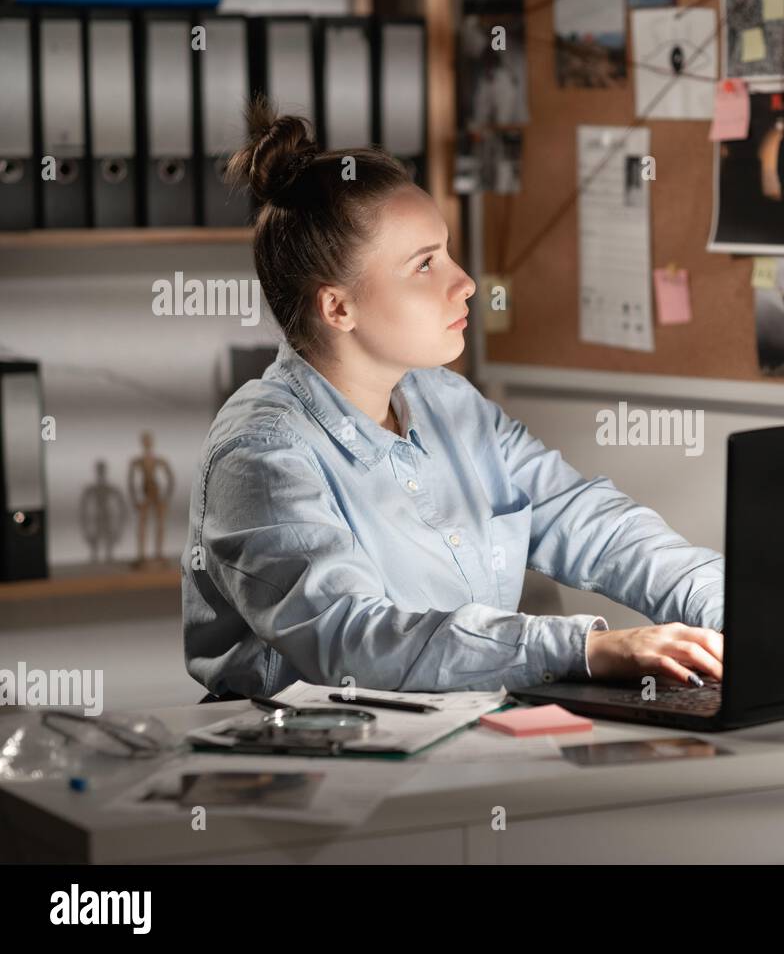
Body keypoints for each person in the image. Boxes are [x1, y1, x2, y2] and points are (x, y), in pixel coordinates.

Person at [182, 97, 724, 699]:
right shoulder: (260, 453)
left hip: (459, 743)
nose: (464, 282)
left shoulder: (446, 401)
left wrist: (731, 608)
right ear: (338, 307)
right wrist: (587, 649)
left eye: (448, 253)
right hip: (306, 768)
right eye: (424, 265)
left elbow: (589, 522)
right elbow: (352, 639)